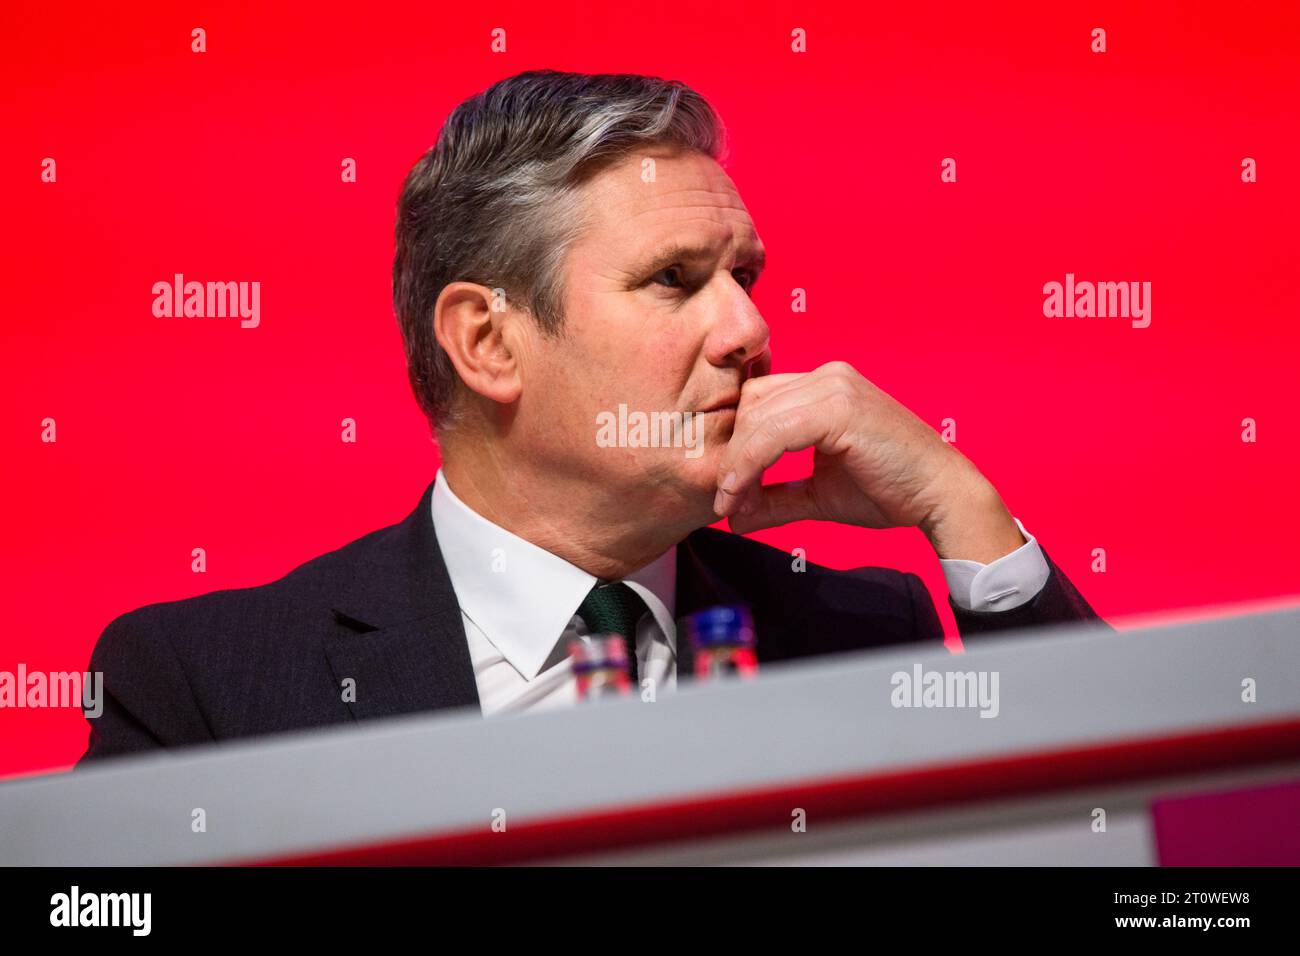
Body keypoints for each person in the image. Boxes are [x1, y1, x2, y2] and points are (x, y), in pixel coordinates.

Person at [79, 70, 1106, 762]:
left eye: (745, 277)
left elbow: (1135, 863)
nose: (750, 329)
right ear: (489, 341)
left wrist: (963, 509)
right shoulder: (209, 688)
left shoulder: (857, 636)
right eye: (674, 279)